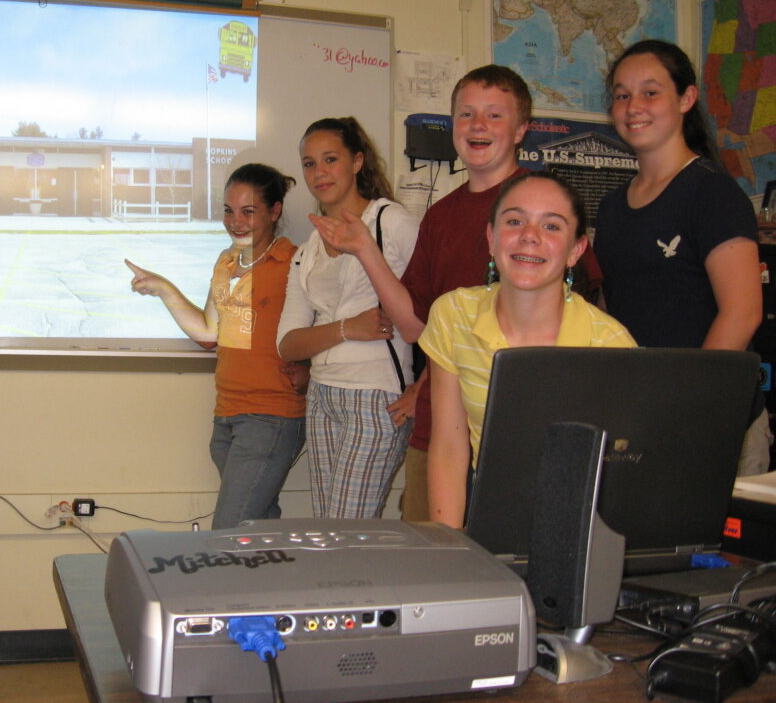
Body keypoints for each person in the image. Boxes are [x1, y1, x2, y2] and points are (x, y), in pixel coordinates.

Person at [310, 66, 602, 520]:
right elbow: (415, 328)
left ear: (522, 129)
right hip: (438, 433)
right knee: (433, 569)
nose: (478, 126)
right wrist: (366, 251)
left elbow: (580, 318)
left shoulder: (544, 206)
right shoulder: (440, 216)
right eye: (466, 114)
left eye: (494, 115)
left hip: (518, 434)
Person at [417, 171, 636, 527]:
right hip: (487, 504)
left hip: (577, 517)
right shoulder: (452, 314)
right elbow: (449, 447)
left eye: (551, 227)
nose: (529, 237)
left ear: (576, 250)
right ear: (491, 238)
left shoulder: (609, 344)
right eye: (514, 221)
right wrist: (450, 547)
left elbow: (623, 471)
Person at [595, 39, 767, 475]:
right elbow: (611, 312)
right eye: (622, 94)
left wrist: (688, 411)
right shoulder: (613, 207)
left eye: (651, 92)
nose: (634, 106)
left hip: (710, 419)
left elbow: (742, 314)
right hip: (641, 418)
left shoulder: (712, 193)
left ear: (686, 98)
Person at [125, 163, 306, 530]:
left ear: (275, 211)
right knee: (259, 526)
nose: (235, 221)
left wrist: (310, 366)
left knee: (228, 531)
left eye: (248, 211)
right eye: (228, 210)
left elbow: (320, 324)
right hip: (227, 416)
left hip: (270, 417)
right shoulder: (225, 262)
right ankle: (272, 586)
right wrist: (163, 288)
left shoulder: (294, 261)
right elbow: (209, 333)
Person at [277, 117, 418, 518]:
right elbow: (288, 344)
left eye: (330, 159)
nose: (319, 173)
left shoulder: (390, 222)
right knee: (329, 529)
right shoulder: (307, 249)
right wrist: (346, 329)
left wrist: (422, 388)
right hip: (322, 397)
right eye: (309, 164)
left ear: (357, 162)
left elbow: (441, 310)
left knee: (346, 530)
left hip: (377, 396)